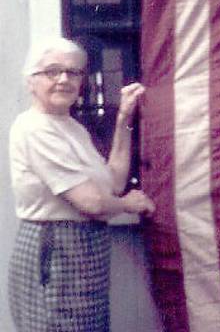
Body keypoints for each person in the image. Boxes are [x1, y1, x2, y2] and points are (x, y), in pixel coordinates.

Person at [8, 36, 156, 332]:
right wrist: (129, 204)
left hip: (84, 251)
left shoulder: (72, 128)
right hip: (56, 249)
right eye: (52, 71)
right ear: (31, 81)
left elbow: (113, 183)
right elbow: (91, 202)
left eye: (73, 72)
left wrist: (125, 118)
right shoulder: (34, 128)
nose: (64, 79)